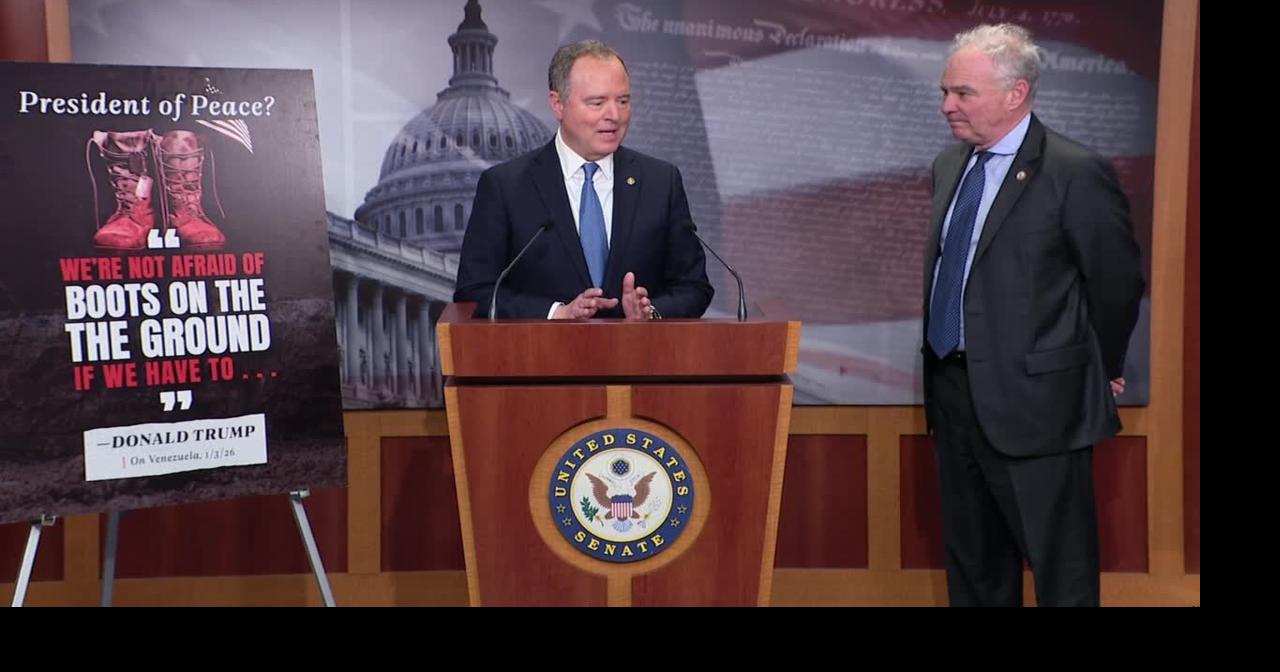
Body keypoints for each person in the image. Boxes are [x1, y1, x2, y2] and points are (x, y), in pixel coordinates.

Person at [922, 23, 1145, 606]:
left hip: (1041, 406)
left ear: (1016, 93)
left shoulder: (1074, 171)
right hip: (953, 393)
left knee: (1062, 572)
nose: (948, 105)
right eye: (945, 91)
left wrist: (1104, 363)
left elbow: (1117, 284)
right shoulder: (950, 167)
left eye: (962, 93)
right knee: (973, 569)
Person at [455, 39, 712, 320]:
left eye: (623, 101)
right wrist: (556, 313)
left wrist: (650, 313)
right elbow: (474, 292)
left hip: (639, 360)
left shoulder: (661, 183)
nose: (614, 115)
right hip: (541, 359)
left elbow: (693, 286)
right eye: (597, 102)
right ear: (558, 104)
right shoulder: (506, 186)